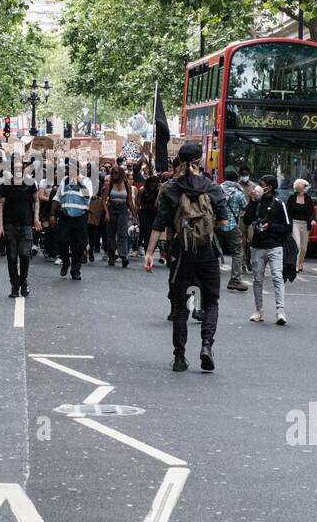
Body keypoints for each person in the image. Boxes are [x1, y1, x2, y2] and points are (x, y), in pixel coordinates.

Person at [144, 143, 228, 372]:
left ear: (180, 160)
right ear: (200, 161)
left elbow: (159, 223)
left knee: (180, 306)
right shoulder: (212, 187)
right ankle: (206, 346)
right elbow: (223, 222)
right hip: (207, 253)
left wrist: (150, 253)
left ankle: (180, 357)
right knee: (211, 302)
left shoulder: (172, 188)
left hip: (182, 254)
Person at [243, 176, 291, 324]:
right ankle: (259, 311)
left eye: (261, 184)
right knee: (257, 279)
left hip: (275, 246)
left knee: (277, 277)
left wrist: (270, 226)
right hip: (257, 246)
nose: (258, 187)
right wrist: (251, 202)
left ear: (269, 187)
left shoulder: (279, 204)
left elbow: (287, 227)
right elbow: (246, 220)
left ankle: (280, 311)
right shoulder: (256, 203)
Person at [0, 154, 40, 298]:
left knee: (24, 254)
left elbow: (36, 201)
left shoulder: (30, 183)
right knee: (12, 257)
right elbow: (0, 205)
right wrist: (0, 225)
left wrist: (36, 219)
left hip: (26, 224)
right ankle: (15, 286)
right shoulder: (6, 184)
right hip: (9, 225)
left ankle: (23, 282)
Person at [52, 161, 92, 280]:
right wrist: (52, 214)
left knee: (78, 245)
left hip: (80, 217)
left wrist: (79, 182)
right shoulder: (64, 181)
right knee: (61, 241)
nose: (69, 170)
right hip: (65, 217)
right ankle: (65, 261)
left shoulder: (87, 181)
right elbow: (57, 197)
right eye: (68, 168)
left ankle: (75, 270)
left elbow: (87, 196)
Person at [219, 168, 248, 291]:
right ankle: (235, 280)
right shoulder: (238, 193)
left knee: (213, 252)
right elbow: (246, 207)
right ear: (237, 180)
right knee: (237, 252)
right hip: (231, 226)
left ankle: (206, 277)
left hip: (217, 226)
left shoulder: (218, 190)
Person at [103, 164, 134, 268]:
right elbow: (104, 201)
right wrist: (107, 213)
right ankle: (111, 257)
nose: (114, 175)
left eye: (116, 172)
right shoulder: (109, 185)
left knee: (122, 233)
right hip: (112, 210)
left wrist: (134, 214)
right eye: (112, 173)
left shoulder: (127, 184)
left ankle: (123, 256)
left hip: (123, 210)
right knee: (111, 235)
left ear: (121, 173)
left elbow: (129, 201)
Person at [288, 178, 315, 273]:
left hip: (305, 225)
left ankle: (300, 263)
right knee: (297, 245)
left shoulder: (308, 199)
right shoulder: (292, 198)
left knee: (303, 247)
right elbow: (288, 212)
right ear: (299, 187)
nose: (307, 188)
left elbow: (312, 211)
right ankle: (295, 265)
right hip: (295, 223)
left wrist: (312, 220)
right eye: (305, 186)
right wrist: (289, 223)